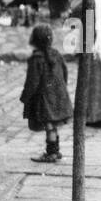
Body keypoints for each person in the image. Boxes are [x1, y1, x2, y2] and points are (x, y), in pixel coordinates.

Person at [20, 23, 73, 163]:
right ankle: (55, 150)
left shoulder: (36, 59)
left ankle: (51, 153)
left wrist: (25, 97)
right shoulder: (56, 54)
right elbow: (65, 73)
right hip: (58, 96)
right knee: (53, 125)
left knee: (49, 125)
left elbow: (32, 82)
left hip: (44, 99)